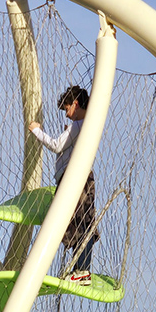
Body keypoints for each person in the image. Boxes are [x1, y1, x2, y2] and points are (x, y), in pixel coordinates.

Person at [29, 85, 98, 284]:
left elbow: (57, 145)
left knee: (77, 222)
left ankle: (82, 270)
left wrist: (37, 131)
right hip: (79, 178)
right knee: (80, 222)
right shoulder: (85, 124)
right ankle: (81, 269)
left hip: (75, 179)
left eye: (67, 109)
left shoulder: (78, 125)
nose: (67, 115)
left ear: (76, 104)